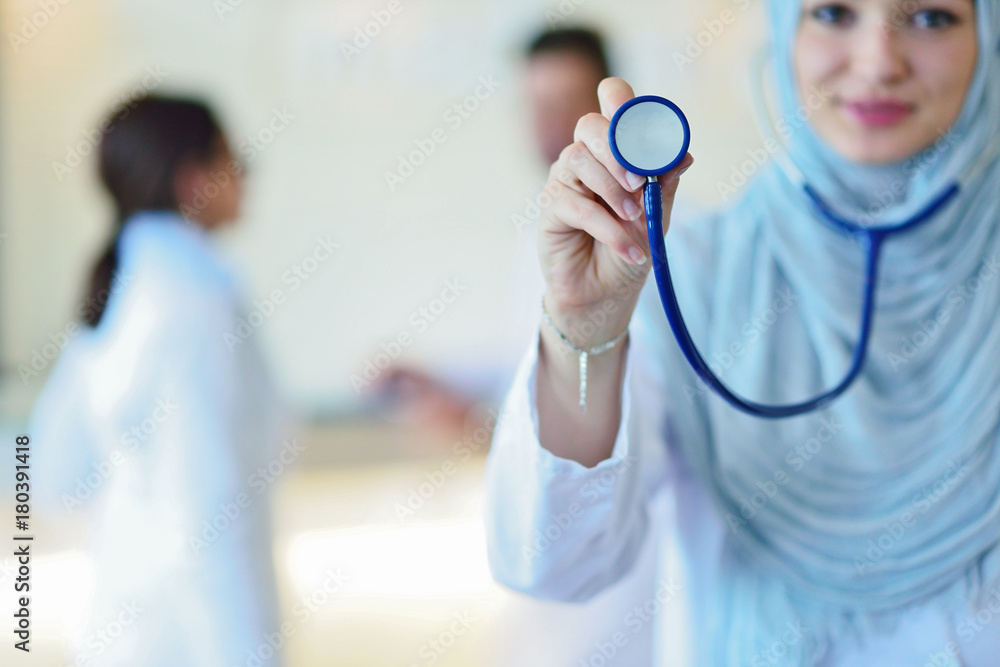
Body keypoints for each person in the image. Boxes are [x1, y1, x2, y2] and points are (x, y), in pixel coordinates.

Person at [484, 1, 1000, 665]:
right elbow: (554, 565)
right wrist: (584, 328)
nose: (878, 62)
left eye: (931, 18)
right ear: (784, 34)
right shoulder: (691, 271)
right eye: (834, 13)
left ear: (988, 37)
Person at [29, 96, 289, 666]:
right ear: (192, 180)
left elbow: (53, 471)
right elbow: (208, 515)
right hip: (188, 640)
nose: (245, 175)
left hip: (125, 629)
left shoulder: (123, 288)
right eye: (232, 159)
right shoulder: (192, 303)